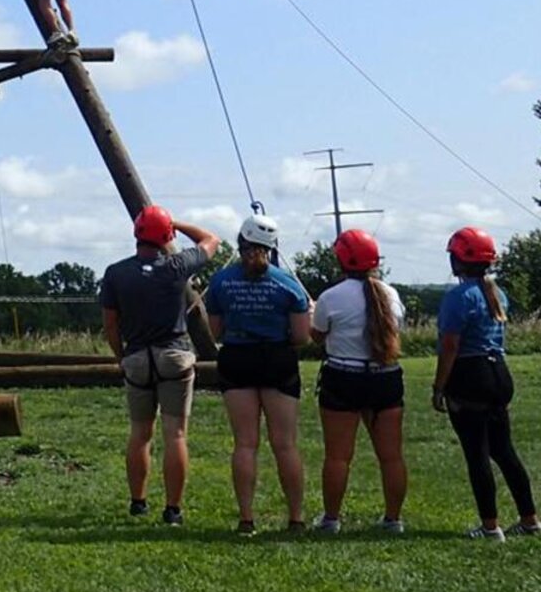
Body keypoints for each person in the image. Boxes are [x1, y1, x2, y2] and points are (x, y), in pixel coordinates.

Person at [98, 205, 219, 526]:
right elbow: (210, 239)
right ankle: (173, 508)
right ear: (166, 236)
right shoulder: (177, 266)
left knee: (140, 433)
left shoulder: (116, 273)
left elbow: (111, 323)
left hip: (137, 357)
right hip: (174, 354)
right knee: (175, 434)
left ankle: (138, 501)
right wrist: (174, 223)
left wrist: (119, 356)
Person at [204, 213, 312, 535]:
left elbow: (215, 332)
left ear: (240, 243)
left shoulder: (220, 283)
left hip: (237, 358)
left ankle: (247, 519)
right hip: (278, 359)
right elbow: (302, 337)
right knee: (285, 444)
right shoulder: (288, 285)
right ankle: (295, 518)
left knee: (245, 444)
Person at [432, 227, 539, 541]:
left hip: (470, 375)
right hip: (499, 373)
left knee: (476, 453)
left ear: (458, 260)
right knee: (504, 450)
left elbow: (450, 346)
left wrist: (440, 387)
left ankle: (490, 525)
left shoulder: (458, 297)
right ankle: (529, 518)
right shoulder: (497, 292)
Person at [309, 227, 408, 534]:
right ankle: (393, 520)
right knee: (391, 456)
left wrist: (314, 312)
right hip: (385, 377)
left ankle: (331, 519)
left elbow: (317, 336)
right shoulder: (390, 294)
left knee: (338, 456)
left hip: (343, 377)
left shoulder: (330, 297)